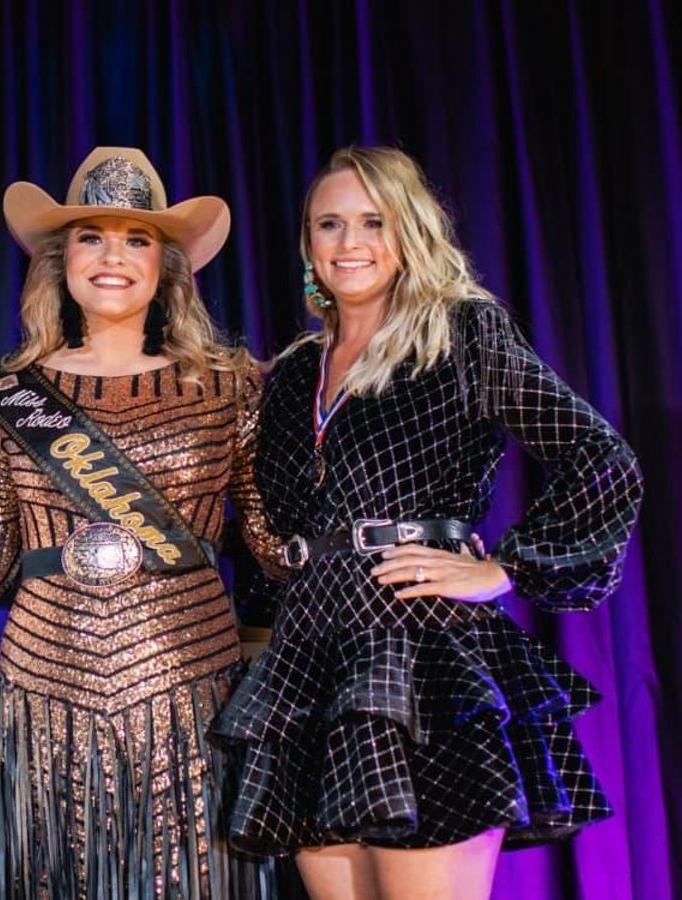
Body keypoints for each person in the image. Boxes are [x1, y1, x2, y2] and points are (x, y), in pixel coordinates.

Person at [213, 146, 643, 900]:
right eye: (330, 224)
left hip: (423, 657)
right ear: (308, 243)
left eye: (373, 222)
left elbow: (600, 460)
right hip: (314, 664)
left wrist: (504, 567)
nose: (349, 244)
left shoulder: (460, 335)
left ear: (411, 230)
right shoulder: (288, 376)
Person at [0, 147, 288, 898]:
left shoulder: (227, 385)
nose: (113, 256)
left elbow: (270, 538)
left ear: (166, 267)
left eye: (137, 239)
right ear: (60, 260)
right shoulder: (9, 395)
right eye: (91, 236)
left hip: (191, 677)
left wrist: (374, 553)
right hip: (48, 679)